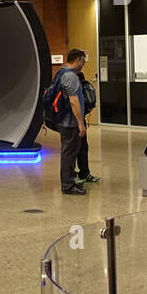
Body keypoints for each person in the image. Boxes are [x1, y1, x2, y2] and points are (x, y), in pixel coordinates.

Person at [56, 48, 89, 195]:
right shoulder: (71, 76)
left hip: (65, 121)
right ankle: (68, 185)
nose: (83, 64)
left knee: (68, 153)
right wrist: (81, 123)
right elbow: (74, 101)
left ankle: (69, 181)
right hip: (70, 123)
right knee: (69, 154)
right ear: (77, 60)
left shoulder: (61, 72)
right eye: (82, 61)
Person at [71, 67, 100, 186]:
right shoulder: (69, 78)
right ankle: (71, 176)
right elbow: (73, 102)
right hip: (72, 121)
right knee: (73, 149)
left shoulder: (77, 78)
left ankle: (84, 173)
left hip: (79, 119)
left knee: (83, 147)